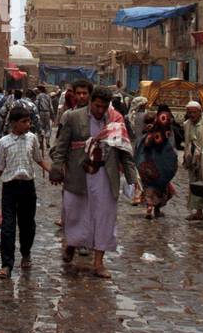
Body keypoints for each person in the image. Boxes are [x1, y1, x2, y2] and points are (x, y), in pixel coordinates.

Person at [50, 85, 139, 278]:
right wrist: (56, 169)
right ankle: (72, 244)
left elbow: (124, 151)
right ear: (91, 102)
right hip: (79, 174)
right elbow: (61, 146)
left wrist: (132, 179)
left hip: (105, 175)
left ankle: (98, 263)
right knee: (75, 213)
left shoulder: (116, 120)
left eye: (104, 107)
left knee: (104, 218)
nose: (100, 110)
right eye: (97, 106)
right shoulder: (73, 117)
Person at [0, 107, 49, 278]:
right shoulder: (3, 142)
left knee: (27, 224)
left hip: (28, 187)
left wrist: (51, 171)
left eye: (29, 121)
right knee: (8, 226)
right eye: (24, 122)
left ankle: (26, 252)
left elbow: (38, 159)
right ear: (14, 123)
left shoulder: (32, 139)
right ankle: (6, 264)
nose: (28, 124)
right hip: (10, 187)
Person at [135, 105, 182, 220]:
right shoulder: (167, 133)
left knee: (149, 188)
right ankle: (156, 209)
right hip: (162, 171)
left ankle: (149, 208)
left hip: (148, 169)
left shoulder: (148, 134)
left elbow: (140, 149)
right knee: (161, 188)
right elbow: (172, 150)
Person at [180, 100, 203, 223]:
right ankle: (198, 212)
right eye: (189, 112)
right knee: (194, 184)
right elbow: (187, 142)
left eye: (194, 112)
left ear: (200, 112)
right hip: (192, 159)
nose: (192, 115)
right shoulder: (186, 124)